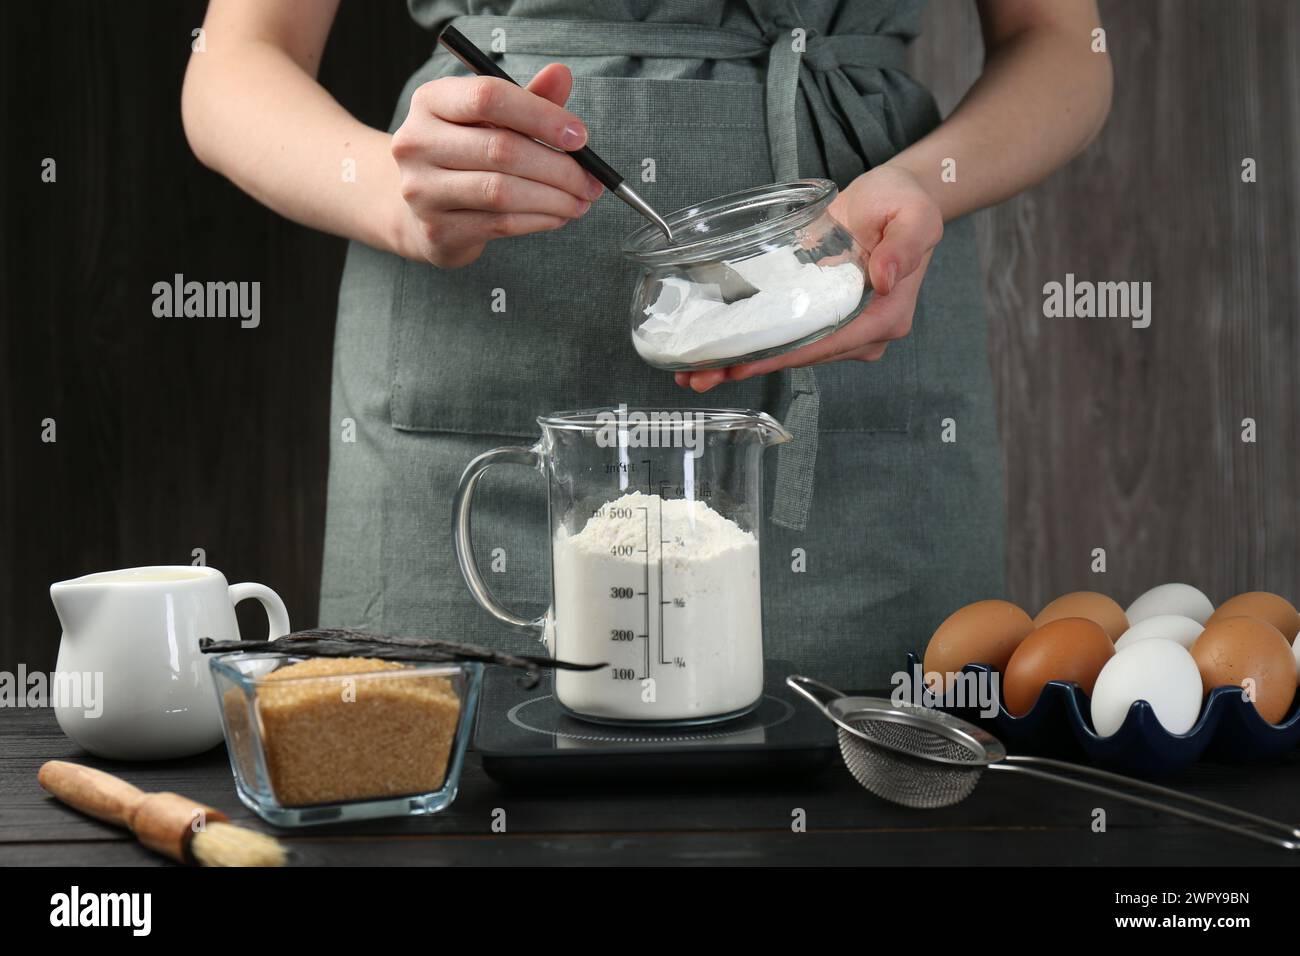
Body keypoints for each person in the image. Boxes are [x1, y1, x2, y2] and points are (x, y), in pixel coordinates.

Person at [182, 0, 1112, 688]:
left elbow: (1065, 44)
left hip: (859, 346)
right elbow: (234, 61)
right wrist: (386, 189)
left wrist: (923, 185)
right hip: (476, 372)